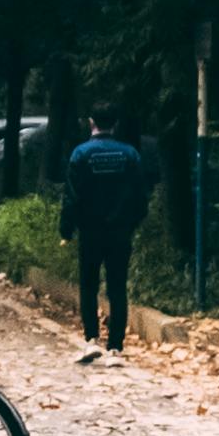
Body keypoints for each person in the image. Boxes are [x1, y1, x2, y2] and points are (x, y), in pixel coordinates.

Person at [60, 105, 157, 364]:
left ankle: (91, 339)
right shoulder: (130, 154)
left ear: (91, 122)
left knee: (89, 285)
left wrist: (66, 229)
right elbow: (140, 196)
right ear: (114, 124)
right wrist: (131, 223)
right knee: (117, 287)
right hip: (120, 232)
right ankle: (116, 347)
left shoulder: (80, 154)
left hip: (90, 231)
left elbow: (71, 196)